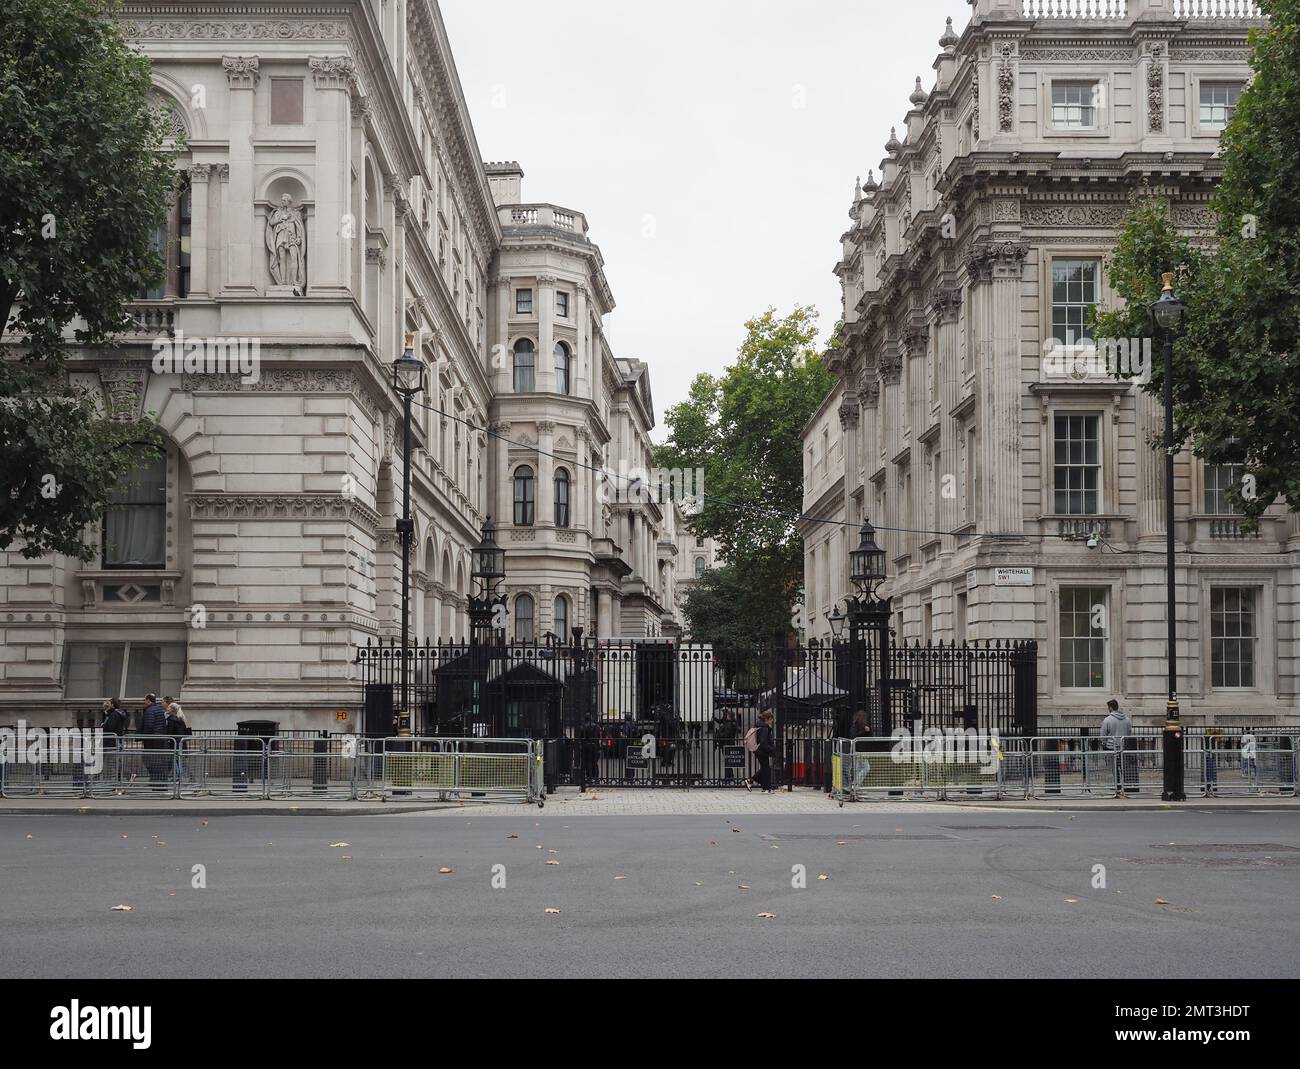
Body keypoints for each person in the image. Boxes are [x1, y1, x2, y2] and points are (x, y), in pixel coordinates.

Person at [1101, 699, 1134, 796]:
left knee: (1114, 768)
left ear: (1110, 707)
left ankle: (1117, 786)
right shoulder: (1127, 719)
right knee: (1124, 767)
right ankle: (1124, 785)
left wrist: (1104, 743)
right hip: (1123, 746)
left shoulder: (1107, 720)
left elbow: (1103, 735)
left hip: (1111, 747)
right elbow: (1129, 732)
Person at [139, 693, 168, 793]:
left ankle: (156, 782)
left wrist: (144, 737)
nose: (144, 702)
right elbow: (163, 724)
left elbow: (148, 725)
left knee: (150, 761)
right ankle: (161, 784)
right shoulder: (160, 709)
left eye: (144, 700)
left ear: (148, 700)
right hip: (160, 740)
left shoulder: (149, 710)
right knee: (159, 763)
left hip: (151, 741)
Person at [744, 711, 776, 793]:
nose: (772, 721)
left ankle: (756, 783)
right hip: (761, 750)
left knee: (764, 768)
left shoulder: (759, 725)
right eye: (771, 719)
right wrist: (771, 749)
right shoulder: (764, 727)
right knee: (766, 768)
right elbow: (763, 742)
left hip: (758, 750)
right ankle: (767, 788)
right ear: (767, 719)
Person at [100, 698, 128, 789]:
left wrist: (103, 725)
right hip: (116, 741)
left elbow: (110, 727)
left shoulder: (113, 715)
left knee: (110, 763)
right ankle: (121, 778)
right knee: (115, 762)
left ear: (112, 704)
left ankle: (112, 783)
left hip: (111, 742)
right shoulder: (119, 714)